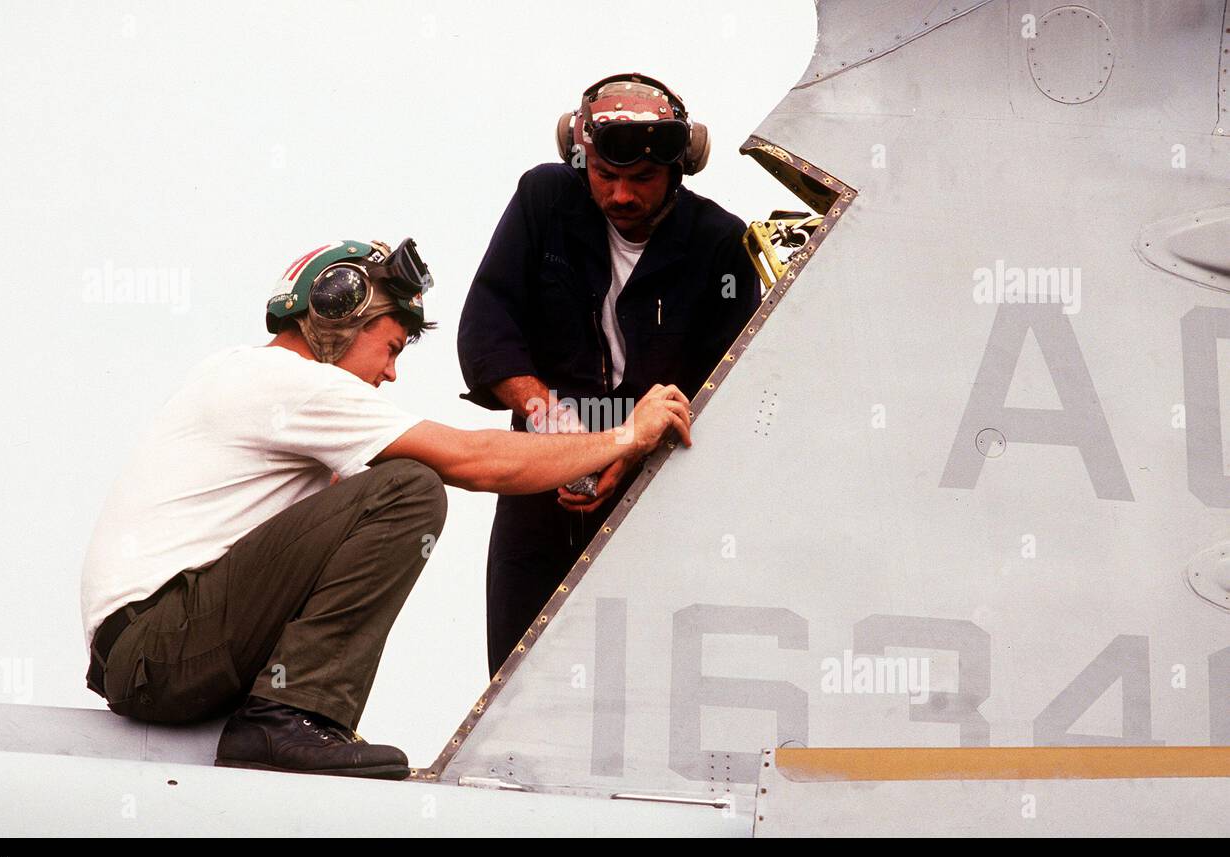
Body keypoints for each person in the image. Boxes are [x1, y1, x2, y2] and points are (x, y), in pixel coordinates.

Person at [80, 238, 692, 780]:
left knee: (382, 488)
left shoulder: (238, 377)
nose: (392, 373)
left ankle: (288, 713)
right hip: (159, 645)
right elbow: (474, 460)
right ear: (340, 316)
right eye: (391, 346)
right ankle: (293, 716)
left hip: (150, 648)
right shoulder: (291, 383)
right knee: (409, 489)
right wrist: (622, 438)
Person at [457, 73, 761, 676]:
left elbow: (732, 383)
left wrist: (630, 453)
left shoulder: (722, 242)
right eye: (605, 176)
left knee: (647, 666)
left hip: (659, 478)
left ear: (679, 168)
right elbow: (488, 331)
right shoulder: (544, 198)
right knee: (515, 671)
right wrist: (553, 425)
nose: (621, 195)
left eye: (642, 179)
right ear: (581, 159)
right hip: (539, 468)